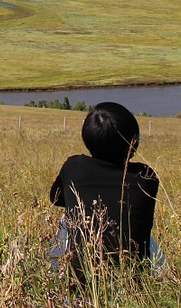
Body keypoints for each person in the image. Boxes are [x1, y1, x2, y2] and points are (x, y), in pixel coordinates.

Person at [49, 102, 160, 281]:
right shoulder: (146, 176)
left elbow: (55, 199)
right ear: (134, 141)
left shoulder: (74, 167)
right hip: (133, 279)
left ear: (87, 138)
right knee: (146, 237)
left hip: (81, 280)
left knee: (65, 220)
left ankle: (60, 271)